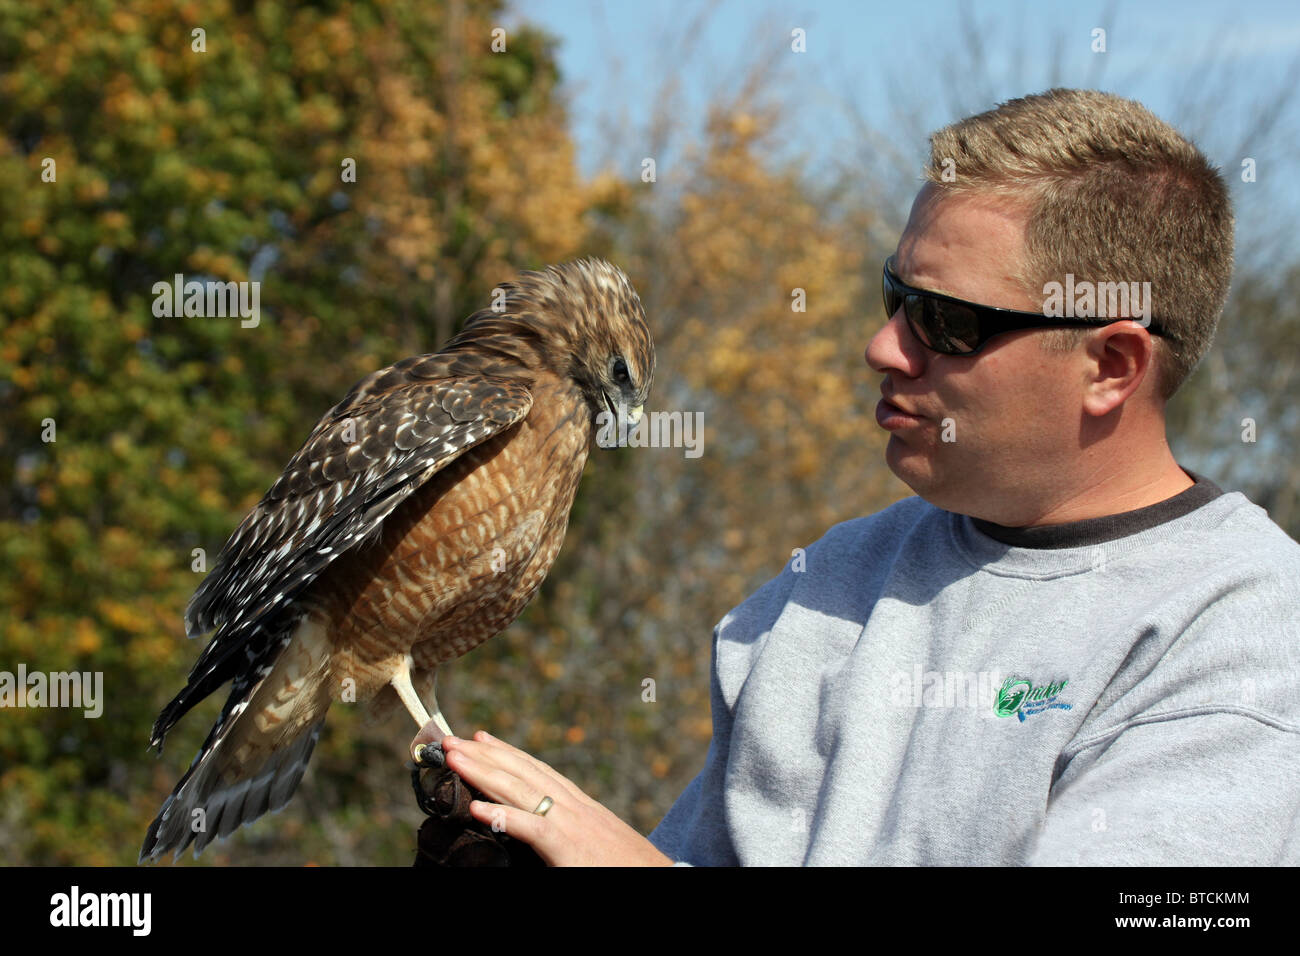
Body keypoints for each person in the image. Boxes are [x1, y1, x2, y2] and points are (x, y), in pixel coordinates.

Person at [410, 88, 1300, 865]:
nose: (882, 347)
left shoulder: (1243, 642)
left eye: (944, 320)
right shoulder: (824, 588)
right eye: (893, 297)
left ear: (1110, 364)